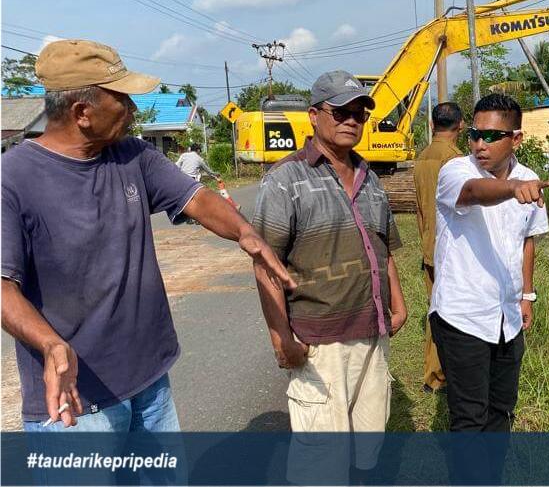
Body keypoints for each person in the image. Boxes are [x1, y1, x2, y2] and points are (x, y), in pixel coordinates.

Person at [0, 39, 295, 432]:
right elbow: (4, 289)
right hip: (76, 404)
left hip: (149, 383)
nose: (134, 109)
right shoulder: (13, 178)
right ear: (82, 112)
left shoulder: (132, 155)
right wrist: (51, 344)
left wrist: (246, 233)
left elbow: (197, 198)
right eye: (122, 99)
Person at [250, 69, 408, 439]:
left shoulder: (370, 178)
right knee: (322, 460)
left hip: (373, 335)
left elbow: (383, 250)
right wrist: (281, 339)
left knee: (369, 448)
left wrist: (398, 305)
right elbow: (264, 265)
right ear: (314, 115)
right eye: (341, 112)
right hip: (321, 346)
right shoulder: (284, 180)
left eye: (360, 114)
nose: (352, 121)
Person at [429, 93, 549, 432]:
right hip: (462, 315)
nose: (480, 144)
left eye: (492, 136)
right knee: (470, 417)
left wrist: (527, 296)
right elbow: (472, 193)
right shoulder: (456, 171)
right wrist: (511, 189)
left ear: (516, 139)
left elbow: (527, 240)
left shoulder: (530, 177)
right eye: (475, 134)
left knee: (501, 412)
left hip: (507, 317)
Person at [412, 102, 464, 393]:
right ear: (461, 126)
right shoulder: (455, 160)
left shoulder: (422, 157)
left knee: (435, 311)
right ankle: (441, 375)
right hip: (451, 250)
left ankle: (434, 375)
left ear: (432, 125)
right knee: (450, 315)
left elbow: (420, 209)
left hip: (429, 245)